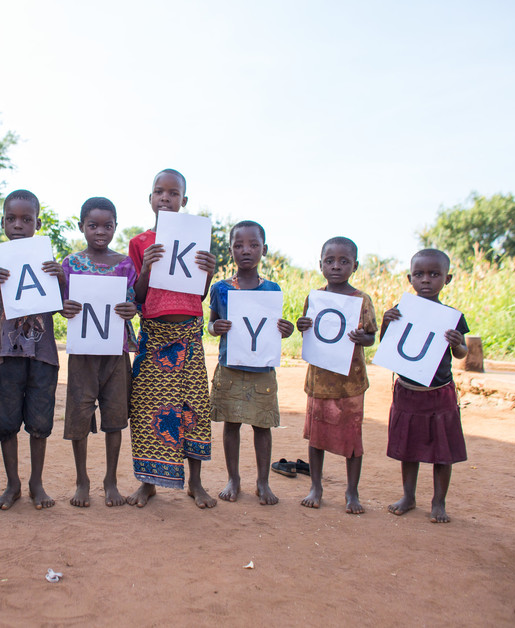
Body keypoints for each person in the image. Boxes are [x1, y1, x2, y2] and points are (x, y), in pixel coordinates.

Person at [127, 169, 217, 508]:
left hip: (189, 334)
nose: (165, 197)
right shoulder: (140, 243)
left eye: (173, 193)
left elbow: (200, 295)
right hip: (154, 336)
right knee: (148, 408)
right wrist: (146, 269)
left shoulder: (197, 238)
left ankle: (196, 482)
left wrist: (208, 271)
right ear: (150, 198)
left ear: (184, 200)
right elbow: (137, 297)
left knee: (193, 407)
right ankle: (148, 483)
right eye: (159, 191)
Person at [0, 189, 65, 510]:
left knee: (40, 421)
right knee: (6, 421)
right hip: (4, 352)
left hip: (42, 353)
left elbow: (58, 308)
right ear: (3, 222)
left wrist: (59, 279)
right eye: (11, 219)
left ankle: (36, 483)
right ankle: (12, 483)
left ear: (37, 224)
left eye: (26, 219)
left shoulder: (46, 261)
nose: (18, 225)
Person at [207, 220, 294, 505]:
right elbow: (210, 324)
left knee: (262, 426)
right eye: (239, 245)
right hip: (230, 367)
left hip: (262, 370)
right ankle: (233, 479)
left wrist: (286, 329)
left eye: (254, 245)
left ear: (264, 250)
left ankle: (262, 482)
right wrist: (215, 327)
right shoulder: (220, 289)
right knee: (231, 424)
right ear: (230, 249)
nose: (246, 250)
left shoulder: (272, 290)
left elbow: (276, 327)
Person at [60, 197, 138, 507]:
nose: (100, 231)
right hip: (82, 352)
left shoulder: (126, 264)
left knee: (115, 416)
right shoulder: (70, 264)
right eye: (93, 225)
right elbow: (61, 302)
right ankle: (82, 480)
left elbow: (134, 301)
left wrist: (131, 309)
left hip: (115, 351)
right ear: (82, 226)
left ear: (116, 226)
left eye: (108, 225)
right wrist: (64, 308)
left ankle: (110, 480)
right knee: (79, 414)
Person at [382, 248, 469, 523]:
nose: (426, 280)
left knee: (443, 451)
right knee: (408, 448)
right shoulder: (400, 312)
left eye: (434, 274)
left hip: (439, 392)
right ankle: (408, 496)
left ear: (447, 279)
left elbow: (462, 353)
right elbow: (387, 345)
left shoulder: (452, 317)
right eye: (419, 274)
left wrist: (458, 343)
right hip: (407, 391)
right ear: (410, 279)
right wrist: (386, 322)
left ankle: (438, 502)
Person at [295, 236, 377, 514]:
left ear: (355, 265)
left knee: (352, 439)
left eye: (344, 261)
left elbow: (371, 337)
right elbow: (309, 332)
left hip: (350, 383)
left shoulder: (361, 300)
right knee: (316, 438)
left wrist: (362, 338)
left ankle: (352, 491)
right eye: (329, 261)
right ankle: (315, 487)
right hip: (319, 380)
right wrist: (301, 325)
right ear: (320, 265)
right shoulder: (315, 298)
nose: (336, 266)